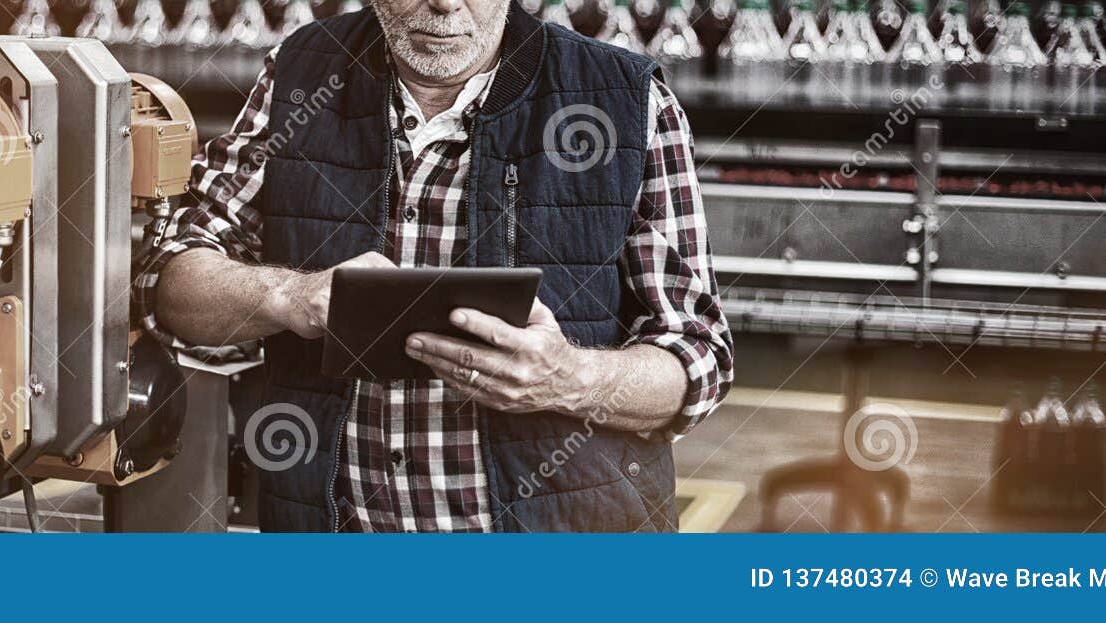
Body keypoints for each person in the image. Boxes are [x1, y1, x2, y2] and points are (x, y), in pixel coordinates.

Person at [155, 0, 733, 532]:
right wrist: (290, 295)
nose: (445, 3)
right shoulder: (301, 74)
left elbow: (700, 356)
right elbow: (170, 279)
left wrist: (570, 381)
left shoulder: (624, 97)